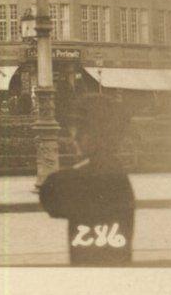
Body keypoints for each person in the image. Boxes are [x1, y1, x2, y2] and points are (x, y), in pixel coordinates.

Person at [39, 97, 135, 266]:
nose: (73, 140)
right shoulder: (115, 171)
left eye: (79, 133)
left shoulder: (92, 173)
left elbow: (50, 195)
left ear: (97, 137)